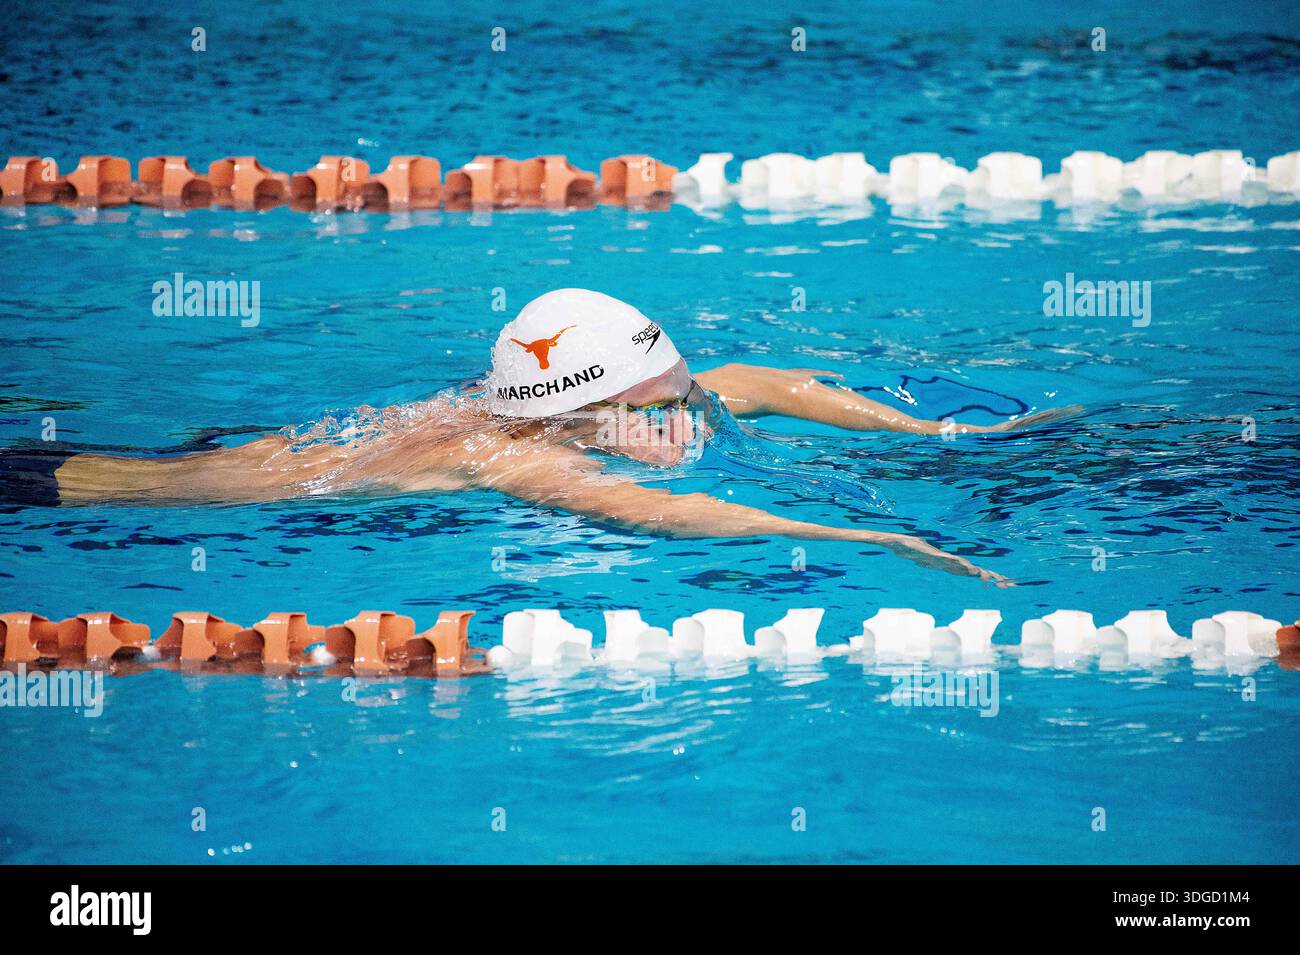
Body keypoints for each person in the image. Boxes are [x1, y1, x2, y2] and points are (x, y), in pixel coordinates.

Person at [0, 289, 1074, 584]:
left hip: (261, 439)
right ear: (574, 412)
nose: (687, 413)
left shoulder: (567, 401)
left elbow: (765, 383)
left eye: (677, 391)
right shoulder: (513, 453)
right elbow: (666, 514)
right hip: (98, 490)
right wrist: (869, 537)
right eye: (658, 405)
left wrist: (936, 431)